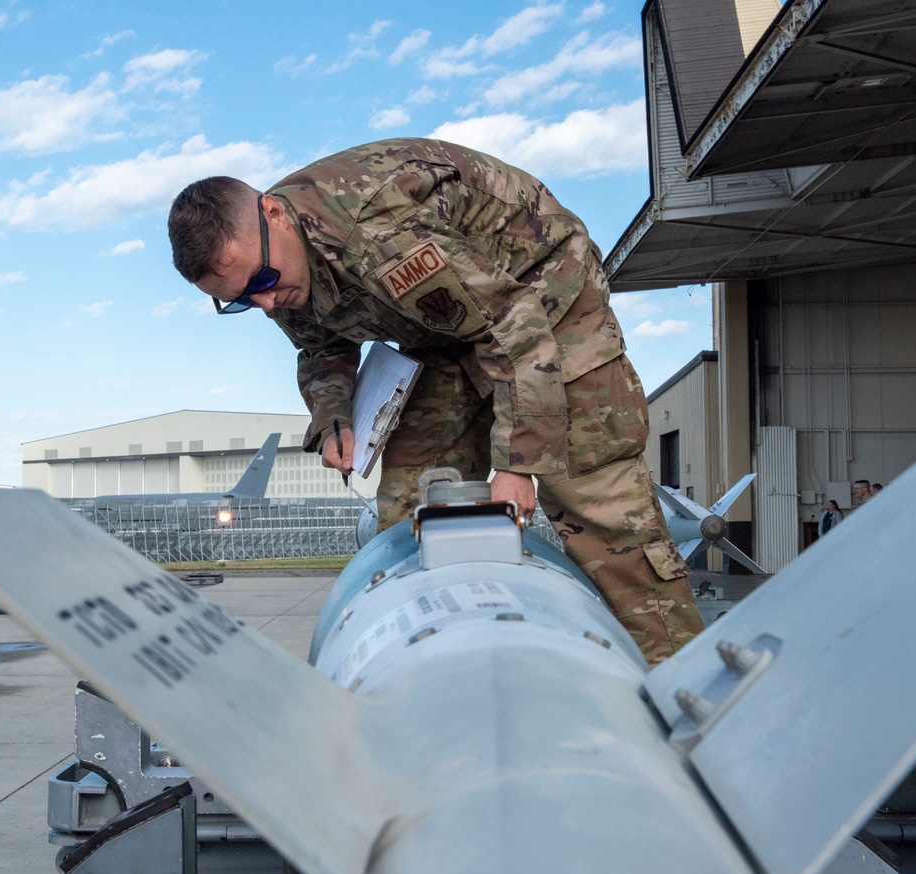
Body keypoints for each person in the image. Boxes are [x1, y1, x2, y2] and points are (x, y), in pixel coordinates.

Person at [167, 138, 703, 666]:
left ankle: (684, 695)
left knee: (599, 511)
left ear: (275, 213)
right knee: (413, 506)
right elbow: (320, 347)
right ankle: (442, 665)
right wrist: (333, 418)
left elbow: (512, 327)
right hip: (444, 328)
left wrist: (517, 464)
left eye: (261, 281)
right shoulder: (275, 271)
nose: (263, 303)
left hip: (546, 303)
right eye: (239, 301)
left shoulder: (376, 229)